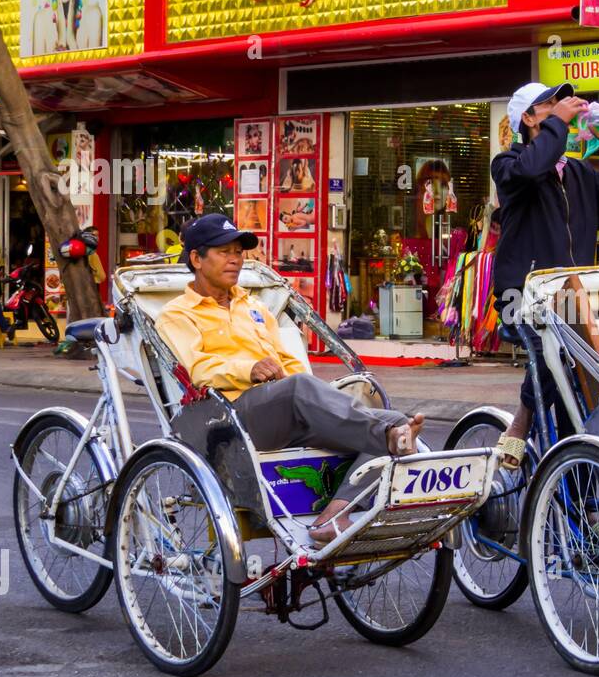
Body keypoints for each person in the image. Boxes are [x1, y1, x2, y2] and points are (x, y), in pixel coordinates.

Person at [155, 214, 426, 542]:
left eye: (239, 252)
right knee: (309, 394)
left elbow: (289, 365)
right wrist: (249, 369)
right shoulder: (177, 314)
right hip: (228, 419)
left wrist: (321, 403)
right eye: (224, 251)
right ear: (197, 259)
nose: (235, 259)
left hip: (282, 412)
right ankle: (387, 438)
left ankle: (333, 516)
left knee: (392, 417)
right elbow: (197, 370)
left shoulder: (254, 308)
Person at [491, 81, 599, 466]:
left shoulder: (577, 171)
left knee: (580, 380)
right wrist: (560, 123)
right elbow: (531, 169)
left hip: (571, 296)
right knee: (554, 349)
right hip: (522, 294)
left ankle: (572, 473)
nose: (562, 108)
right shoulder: (509, 165)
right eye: (550, 105)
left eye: (561, 102)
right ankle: (523, 423)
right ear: (527, 119)